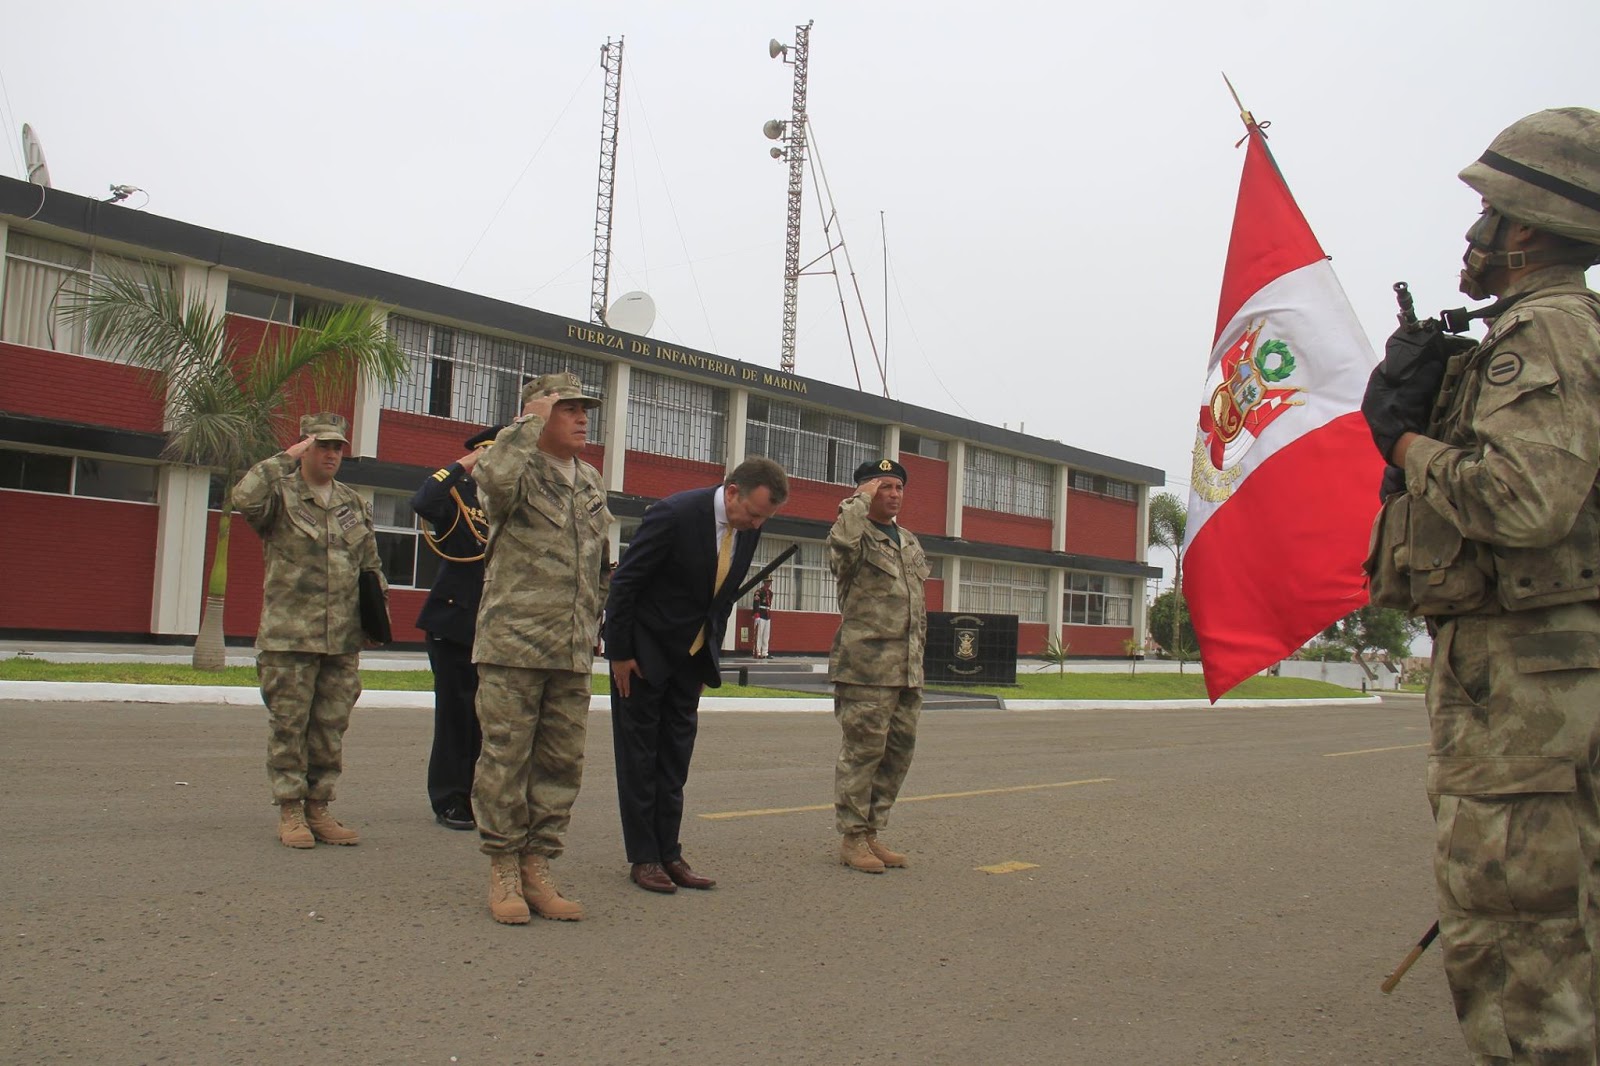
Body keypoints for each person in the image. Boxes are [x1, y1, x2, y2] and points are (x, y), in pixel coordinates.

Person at [1361, 107, 1600, 1064]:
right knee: (1544, 915)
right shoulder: (1542, 335)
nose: (1472, 235)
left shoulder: (1545, 333)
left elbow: (1520, 504)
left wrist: (1405, 438)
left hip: (1524, 686)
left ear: (1528, 229)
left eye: (1487, 213)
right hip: (1526, 676)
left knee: (1516, 935)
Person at [605, 457, 789, 893]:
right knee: (639, 760)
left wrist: (708, 658)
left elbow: (720, 599)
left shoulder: (749, 527)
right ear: (731, 492)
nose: (756, 523)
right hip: (643, 658)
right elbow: (625, 585)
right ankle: (644, 858)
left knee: (674, 762)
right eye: (754, 512)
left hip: (689, 664)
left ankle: (670, 852)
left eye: (764, 517)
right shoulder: (673, 514)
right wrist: (619, 654)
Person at [471, 372, 611, 925]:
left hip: (572, 648)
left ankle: (538, 864)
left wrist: (594, 621)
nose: (581, 418)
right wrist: (526, 423)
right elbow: (493, 478)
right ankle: (503, 866)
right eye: (568, 408)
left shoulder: (591, 479)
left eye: (584, 409)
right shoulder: (516, 468)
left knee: (560, 763)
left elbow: (600, 563)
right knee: (505, 757)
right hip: (514, 642)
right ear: (538, 414)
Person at [233, 412, 386, 850]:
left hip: (342, 637)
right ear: (305, 447)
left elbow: (370, 564)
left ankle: (319, 806)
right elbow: (244, 498)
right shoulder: (279, 497)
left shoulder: (352, 503)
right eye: (323, 446)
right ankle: (290, 810)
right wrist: (284, 458)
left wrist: (377, 618)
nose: (333, 454)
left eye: (339, 447)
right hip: (290, 636)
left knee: (330, 726)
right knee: (290, 725)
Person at [827, 459, 929, 874]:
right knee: (863, 753)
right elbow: (841, 548)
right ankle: (851, 839)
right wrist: (856, 501)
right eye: (884, 486)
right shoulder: (853, 533)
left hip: (907, 668)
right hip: (866, 667)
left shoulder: (907, 540)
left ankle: (871, 832)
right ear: (866, 490)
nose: (894, 493)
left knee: (897, 753)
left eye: (899, 487)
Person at [411, 424, 500, 831]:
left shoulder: (510, 499)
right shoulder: (457, 497)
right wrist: (464, 464)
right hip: (456, 619)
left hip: (498, 624)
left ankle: (482, 796)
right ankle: (449, 798)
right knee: (456, 714)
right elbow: (423, 500)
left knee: (491, 718)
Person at [751, 578, 775, 658]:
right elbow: (756, 603)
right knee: (759, 634)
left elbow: (768, 605)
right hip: (760, 614)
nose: (769, 583)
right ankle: (757, 652)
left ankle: (765, 652)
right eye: (768, 581)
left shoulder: (770, 593)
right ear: (764, 582)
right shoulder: (759, 592)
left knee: (766, 635)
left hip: (767, 615)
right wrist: (756, 614)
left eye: (770, 582)